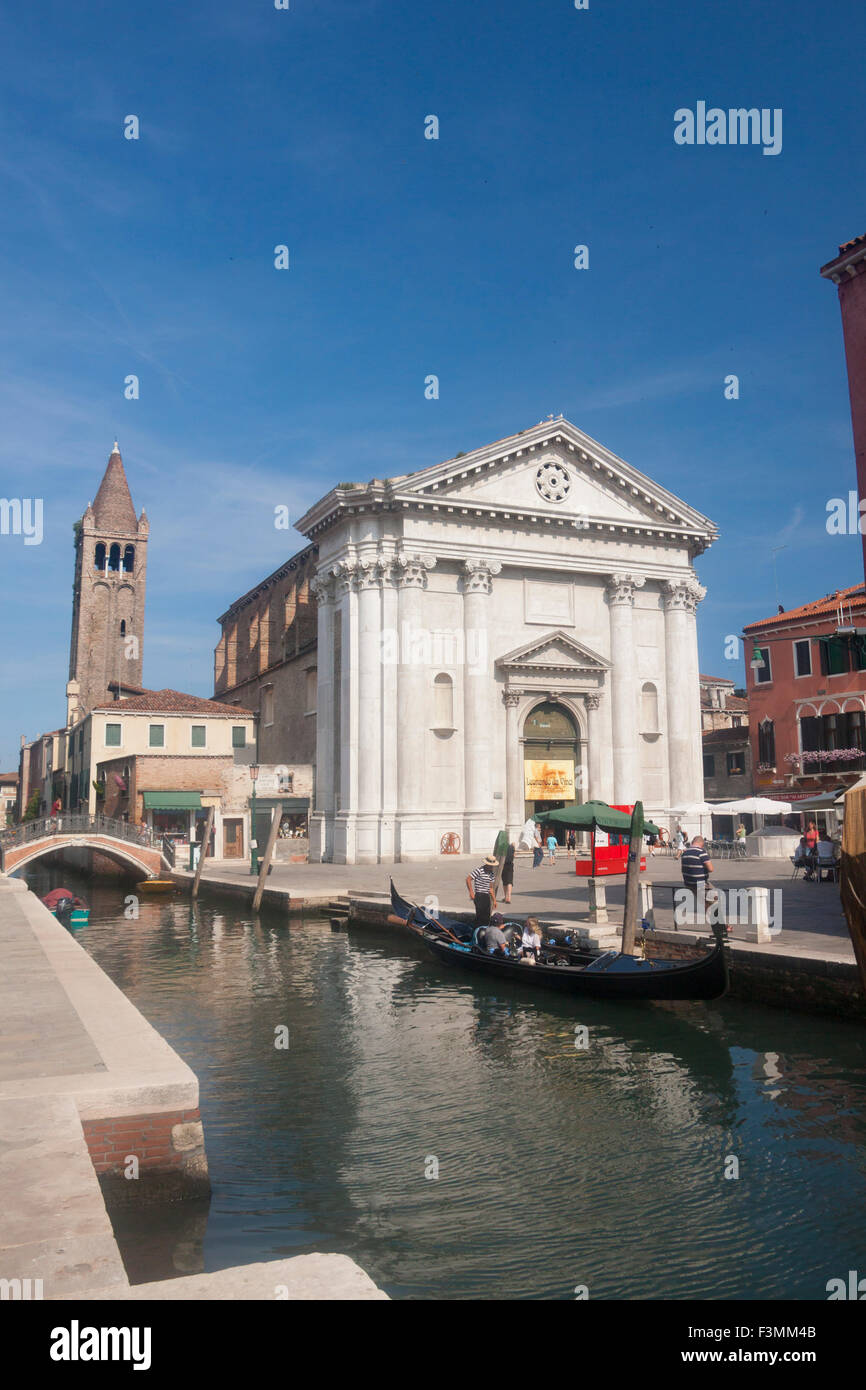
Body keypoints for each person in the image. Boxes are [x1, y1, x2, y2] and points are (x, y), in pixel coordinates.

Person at [678, 834, 715, 926]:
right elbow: (711, 869)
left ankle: (715, 922)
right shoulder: (701, 852)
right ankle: (719, 925)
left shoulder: (685, 852)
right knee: (715, 900)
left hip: (689, 883)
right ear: (701, 843)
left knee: (707, 902)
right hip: (701, 883)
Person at [466, 855, 498, 927]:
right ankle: (477, 931)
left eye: (492, 866)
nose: (491, 867)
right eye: (490, 865)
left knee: (487, 916)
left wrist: (494, 900)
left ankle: (484, 931)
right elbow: (468, 879)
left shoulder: (491, 874)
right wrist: (471, 892)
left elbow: (491, 888)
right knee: (480, 916)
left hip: (486, 896)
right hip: (479, 895)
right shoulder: (479, 870)